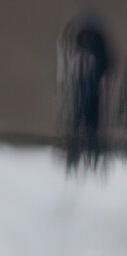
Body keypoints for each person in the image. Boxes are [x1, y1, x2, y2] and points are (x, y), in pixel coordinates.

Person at [65, 12, 113, 171]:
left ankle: (92, 154)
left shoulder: (98, 44)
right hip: (81, 87)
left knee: (92, 120)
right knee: (80, 118)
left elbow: (108, 63)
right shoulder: (80, 42)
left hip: (94, 88)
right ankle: (76, 154)